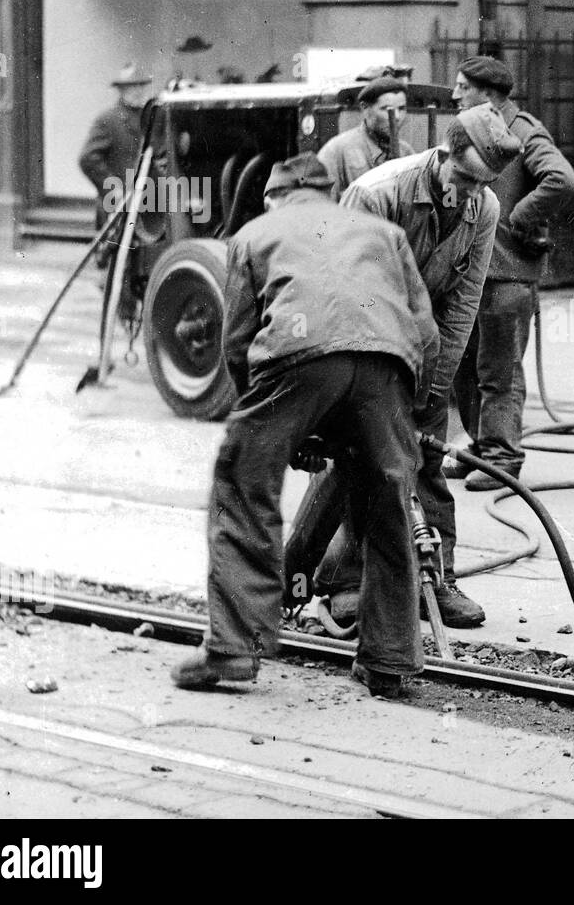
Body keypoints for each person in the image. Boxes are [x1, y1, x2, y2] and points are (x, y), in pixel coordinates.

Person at [171, 152, 440, 699]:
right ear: (329, 191)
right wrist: (402, 411)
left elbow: (238, 343)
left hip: (296, 356)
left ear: (273, 196)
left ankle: (234, 650)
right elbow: (426, 332)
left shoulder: (254, 233)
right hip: (388, 362)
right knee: (387, 499)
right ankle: (391, 662)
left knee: (242, 484)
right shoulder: (383, 231)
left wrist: (282, 427)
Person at [305, 104, 523, 630]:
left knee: (424, 457)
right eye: (465, 180)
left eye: (483, 185)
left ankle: (437, 575)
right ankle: (344, 580)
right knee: (360, 458)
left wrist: (436, 381)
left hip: (423, 346)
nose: (472, 194)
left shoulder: (483, 207)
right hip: (359, 340)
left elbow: (464, 299)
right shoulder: (380, 193)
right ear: (444, 155)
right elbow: (347, 294)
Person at [446, 56, 574, 490]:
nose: (455, 94)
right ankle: (482, 450)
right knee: (465, 368)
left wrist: (520, 217)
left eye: (463, 86)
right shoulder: (472, 130)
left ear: (488, 94)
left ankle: (503, 461)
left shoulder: (523, 131)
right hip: (472, 276)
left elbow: (562, 180)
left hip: (507, 275)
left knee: (498, 372)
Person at [79, 64, 152, 265]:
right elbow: (88, 158)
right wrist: (113, 188)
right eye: (131, 86)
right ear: (121, 90)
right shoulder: (108, 120)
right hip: (117, 204)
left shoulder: (150, 119)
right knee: (115, 263)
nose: (138, 91)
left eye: (141, 86)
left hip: (145, 202)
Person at [318, 77, 415, 196]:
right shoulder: (337, 151)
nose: (397, 116)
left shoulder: (407, 152)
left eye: (401, 109)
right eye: (386, 109)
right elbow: (323, 204)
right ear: (364, 108)